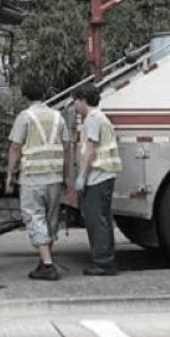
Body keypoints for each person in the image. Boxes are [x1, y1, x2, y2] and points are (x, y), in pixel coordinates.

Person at [6, 79, 71, 281]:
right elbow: (67, 147)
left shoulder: (24, 117)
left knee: (34, 217)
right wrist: (66, 176)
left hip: (33, 177)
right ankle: (45, 260)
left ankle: (48, 265)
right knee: (50, 219)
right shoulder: (58, 117)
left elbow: (15, 148)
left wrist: (10, 174)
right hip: (54, 178)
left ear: (25, 97)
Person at [72, 83, 123, 276]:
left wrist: (82, 176)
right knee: (102, 219)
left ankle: (103, 262)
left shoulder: (93, 119)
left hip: (98, 176)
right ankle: (106, 260)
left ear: (83, 100)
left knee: (97, 221)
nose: (75, 105)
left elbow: (91, 150)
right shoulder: (100, 118)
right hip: (104, 175)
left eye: (75, 100)